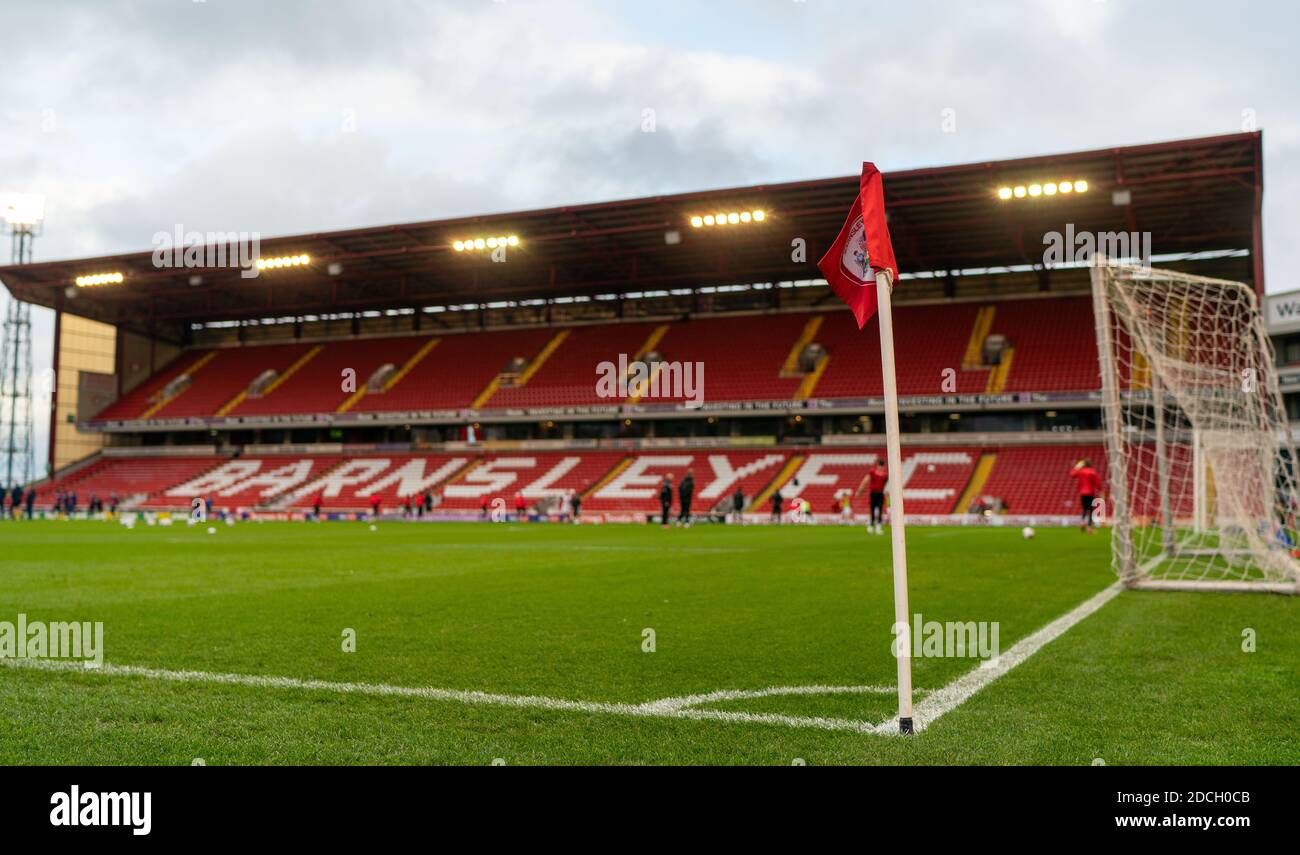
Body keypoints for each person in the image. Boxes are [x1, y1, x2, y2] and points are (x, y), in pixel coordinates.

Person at [1070, 458, 1103, 533]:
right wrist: (1101, 491)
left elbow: (1072, 474)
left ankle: (1082, 522)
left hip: (1082, 493)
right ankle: (1089, 527)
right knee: (1091, 510)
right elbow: (1097, 482)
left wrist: (1077, 466)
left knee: (1084, 509)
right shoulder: (1092, 472)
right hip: (1090, 493)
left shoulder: (1081, 471)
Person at [867, 460, 888, 534]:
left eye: (882, 466)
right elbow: (866, 480)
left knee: (879, 510)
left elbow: (885, 485)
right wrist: (860, 490)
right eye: (880, 465)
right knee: (872, 510)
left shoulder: (885, 476)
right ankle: (871, 525)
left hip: (880, 493)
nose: (881, 467)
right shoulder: (872, 472)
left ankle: (878, 526)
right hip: (873, 493)